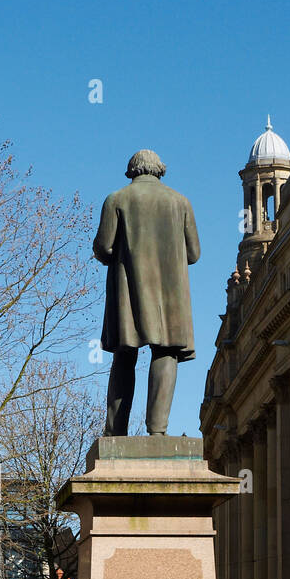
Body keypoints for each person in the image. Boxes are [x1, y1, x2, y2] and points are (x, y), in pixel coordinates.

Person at [93, 148, 199, 436]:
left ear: (132, 170)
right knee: (166, 352)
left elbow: (103, 247)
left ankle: (116, 433)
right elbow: (194, 253)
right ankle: (158, 431)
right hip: (170, 294)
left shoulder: (117, 199)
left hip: (128, 289)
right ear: (159, 169)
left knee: (124, 355)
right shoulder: (181, 202)